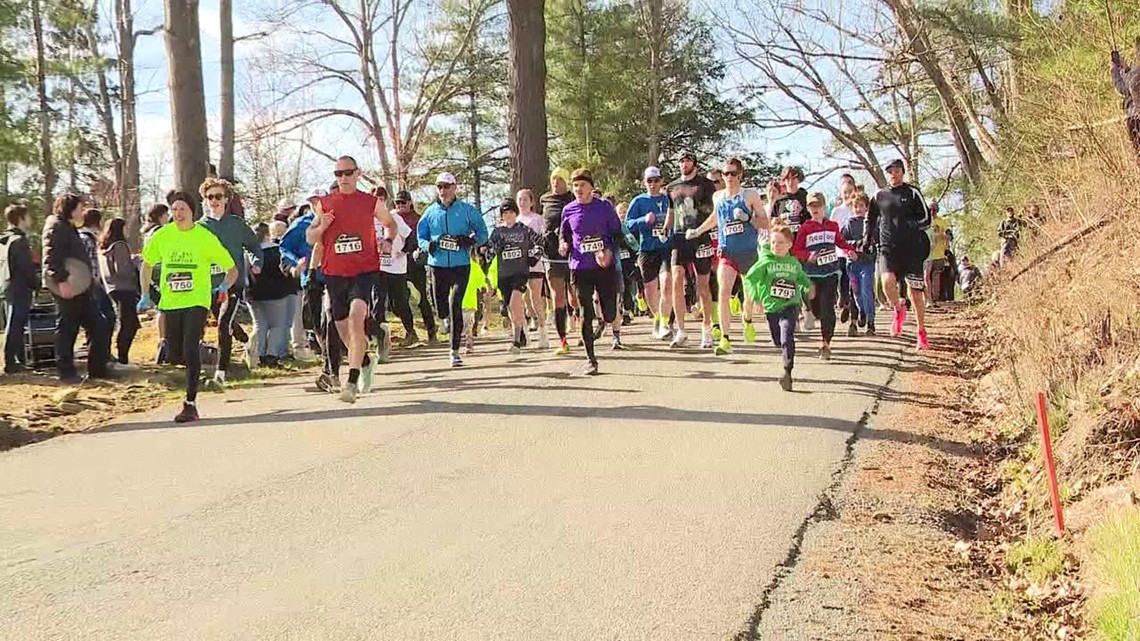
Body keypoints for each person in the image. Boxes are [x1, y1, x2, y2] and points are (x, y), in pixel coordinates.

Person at [138, 190, 238, 423]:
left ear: (192, 211)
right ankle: (197, 366)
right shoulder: (163, 235)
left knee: (190, 347)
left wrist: (224, 286)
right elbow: (146, 265)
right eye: (174, 209)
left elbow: (232, 269)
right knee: (174, 353)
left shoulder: (204, 237)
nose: (178, 213)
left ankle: (190, 403)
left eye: (182, 209)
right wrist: (145, 294)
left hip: (197, 301)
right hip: (171, 302)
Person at [307, 156, 397, 402]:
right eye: (338, 174)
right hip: (335, 273)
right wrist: (322, 226)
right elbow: (310, 237)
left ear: (358, 173)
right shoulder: (326, 204)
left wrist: (388, 241)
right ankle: (365, 361)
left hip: (364, 270)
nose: (343, 178)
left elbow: (390, 224)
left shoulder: (371, 202)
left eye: (348, 173)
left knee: (357, 319)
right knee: (343, 330)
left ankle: (351, 382)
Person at [684, 157, 768, 355]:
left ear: (740, 175)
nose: (729, 177)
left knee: (749, 296)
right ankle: (725, 338)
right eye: (725, 173)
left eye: (733, 173)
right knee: (723, 291)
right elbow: (715, 217)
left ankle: (747, 319)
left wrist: (748, 218)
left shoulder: (750, 195)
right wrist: (698, 230)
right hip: (727, 251)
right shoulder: (718, 197)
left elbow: (765, 223)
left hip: (748, 251)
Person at [199, 177, 264, 388]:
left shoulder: (237, 224)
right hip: (207, 284)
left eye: (218, 196)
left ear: (226, 199)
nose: (214, 201)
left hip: (232, 282)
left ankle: (220, 373)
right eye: (210, 197)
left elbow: (254, 246)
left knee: (223, 323)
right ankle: (246, 341)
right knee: (223, 322)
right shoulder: (199, 228)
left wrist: (256, 263)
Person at [862, 158, 932, 350]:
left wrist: (913, 225)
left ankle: (921, 332)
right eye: (890, 171)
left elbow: (927, 218)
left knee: (915, 292)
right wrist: (867, 239)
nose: (893, 174)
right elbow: (870, 218)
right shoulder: (879, 195)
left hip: (911, 249)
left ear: (902, 172)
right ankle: (898, 307)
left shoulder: (912, 192)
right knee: (886, 282)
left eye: (897, 171)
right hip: (888, 248)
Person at [42, 193, 112, 383]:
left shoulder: (68, 227)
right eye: (80, 208)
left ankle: (98, 370)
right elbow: (51, 257)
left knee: (99, 325)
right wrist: (62, 281)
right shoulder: (56, 227)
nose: (83, 212)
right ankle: (66, 372)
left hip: (80, 286)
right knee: (67, 329)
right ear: (71, 209)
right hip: (67, 286)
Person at [559, 169, 622, 375]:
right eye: (575, 185)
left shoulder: (603, 207)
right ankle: (591, 360)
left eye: (582, 185)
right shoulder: (568, 210)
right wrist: (563, 245)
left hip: (603, 267)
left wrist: (608, 251)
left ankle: (606, 318)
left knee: (610, 313)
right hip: (580, 267)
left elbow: (617, 234)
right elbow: (564, 235)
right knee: (585, 312)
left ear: (591, 187)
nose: (578, 189)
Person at [743, 221, 813, 391]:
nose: (777, 246)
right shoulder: (765, 262)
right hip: (771, 308)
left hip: (790, 305)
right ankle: (782, 351)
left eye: (781, 242)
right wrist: (756, 298)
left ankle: (787, 372)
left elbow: (802, 278)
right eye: (773, 242)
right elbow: (749, 279)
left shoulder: (794, 263)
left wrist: (808, 287)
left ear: (789, 244)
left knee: (787, 335)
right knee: (777, 339)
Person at [793, 192, 857, 360]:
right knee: (817, 308)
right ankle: (811, 312)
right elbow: (796, 250)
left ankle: (825, 343)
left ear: (824, 207)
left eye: (818, 206)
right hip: (812, 274)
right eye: (811, 207)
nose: (815, 209)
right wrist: (808, 255)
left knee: (827, 307)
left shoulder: (832, 226)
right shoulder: (805, 227)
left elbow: (840, 242)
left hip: (830, 272)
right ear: (808, 209)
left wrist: (850, 250)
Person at [666, 152, 717, 348]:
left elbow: (712, 210)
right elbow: (671, 211)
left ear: (694, 164)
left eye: (687, 161)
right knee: (676, 279)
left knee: (702, 285)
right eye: (681, 161)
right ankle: (681, 330)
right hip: (679, 238)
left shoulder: (705, 184)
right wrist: (665, 228)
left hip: (700, 236)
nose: (684, 164)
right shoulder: (672, 187)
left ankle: (707, 329)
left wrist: (702, 228)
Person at [487, 197, 543, 353]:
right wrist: (495, 249)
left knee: (515, 303)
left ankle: (516, 341)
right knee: (510, 309)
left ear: (515, 213)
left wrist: (534, 257)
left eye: (511, 212)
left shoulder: (524, 230)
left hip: (520, 273)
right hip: (504, 275)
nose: (508, 216)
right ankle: (520, 332)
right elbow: (488, 254)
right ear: (501, 215)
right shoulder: (497, 232)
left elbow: (540, 243)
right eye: (505, 213)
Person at [626, 166, 674, 341]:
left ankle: (665, 323)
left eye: (656, 180)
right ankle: (658, 318)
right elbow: (628, 224)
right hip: (647, 249)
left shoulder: (668, 199)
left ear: (661, 181)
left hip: (666, 247)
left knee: (667, 282)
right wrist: (643, 220)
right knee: (651, 288)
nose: (653, 184)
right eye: (649, 181)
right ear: (644, 183)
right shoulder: (639, 201)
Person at [245, 221, 296, 368]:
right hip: (276, 293)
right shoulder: (277, 251)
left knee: (260, 325)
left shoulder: (248, 253)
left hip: (253, 294)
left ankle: (259, 355)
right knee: (277, 325)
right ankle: (271, 355)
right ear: (268, 234)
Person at [769, 166, 813, 330]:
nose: (790, 182)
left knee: (802, 279)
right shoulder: (779, 201)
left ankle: (808, 309)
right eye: (787, 179)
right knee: (788, 280)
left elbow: (812, 218)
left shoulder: (805, 197)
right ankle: (793, 316)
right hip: (785, 246)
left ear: (798, 179)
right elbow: (773, 223)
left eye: (793, 178)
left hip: (802, 244)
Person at [539, 168, 576, 355]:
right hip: (551, 253)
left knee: (574, 297)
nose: (555, 183)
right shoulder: (544, 199)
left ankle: (582, 326)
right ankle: (562, 340)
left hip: (572, 252)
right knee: (557, 297)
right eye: (553, 179)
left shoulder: (572, 198)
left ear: (566, 182)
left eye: (559, 179)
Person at [374, 198, 415, 363]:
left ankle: (411, 332)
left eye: (382, 199)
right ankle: (381, 340)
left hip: (396, 267)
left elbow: (411, 236)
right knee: (377, 303)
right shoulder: (366, 218)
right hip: (377, 268)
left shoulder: (395, 218)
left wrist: (404, 250)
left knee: (399, 303)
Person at [394, 190, 437, 346]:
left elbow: (423, 239)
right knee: (399, 301)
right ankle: (410, 332)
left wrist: (417, 251)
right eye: (397, 202)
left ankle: (431, 330)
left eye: (403, 202)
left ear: (410, 202)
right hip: (397, 265)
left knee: (422, 299)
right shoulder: (392, 218)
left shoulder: (418, 219)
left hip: (414, 263)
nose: (400, 205)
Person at [98, 217, 141, 365]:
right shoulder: (120, 246)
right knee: (129, 323)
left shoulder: (104, 249)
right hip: (125, 288)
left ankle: (122, 353)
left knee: (127, 321)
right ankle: (122, 355)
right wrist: (135, 262)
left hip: (112, 288)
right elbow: (123, 269)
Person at [1, 204, 38, 374]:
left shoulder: (5, 239)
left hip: (7, 285)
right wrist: (36, 284)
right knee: (16, 324)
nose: (30, 219)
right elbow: (26, 267)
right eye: (27, 216)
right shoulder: (20, 240)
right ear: (21, 219)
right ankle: (10, 362)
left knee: (13, 323)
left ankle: (18, 359)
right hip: (19, 287)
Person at [78, 207, 116, 365]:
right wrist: (97, 281)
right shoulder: (88, 238)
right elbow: (92, 263)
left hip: (84, 284)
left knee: (95, 321)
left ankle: (97, 351)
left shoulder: (79, 236)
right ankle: (102, 353)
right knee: (107, 318)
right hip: (93, 285)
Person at [840, 192, 877, 335]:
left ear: (867, 207)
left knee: (866, 290)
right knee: (856, 292)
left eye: (861, 206)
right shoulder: (849, 223)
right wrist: (852, 248)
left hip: (867, 262)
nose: (858, 209)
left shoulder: (871, 223)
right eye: (856, 206)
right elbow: (842, 241)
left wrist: (864, 250)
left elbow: (874, 241)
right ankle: (862, 311)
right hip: (852, 263)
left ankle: (871, 322)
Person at [516, 189, 548, 348]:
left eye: (525, 199)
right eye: (519, 199)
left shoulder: (537, 219)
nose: (522, 202)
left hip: (534, 263)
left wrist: (535, 254)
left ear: (531, 202)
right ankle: (524, 335)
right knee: (521, 300)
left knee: (536, 298)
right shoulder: (514, 220)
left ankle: (543, 334)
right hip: (518, 265)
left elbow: (542, 240)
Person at [141, 203, 170, 362]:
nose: (168, 217)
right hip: (161, 271)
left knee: (161, 308)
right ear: (160, 216)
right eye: (166, 214)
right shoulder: (159, 231)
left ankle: (162, 339)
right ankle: (164, 340)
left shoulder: (147, 232)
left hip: (151, 273)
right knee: (165, 308)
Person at [924, 202, 950, 304]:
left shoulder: (942, 222)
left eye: (934, 209)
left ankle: (935, 298)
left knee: (936, 276)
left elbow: (949, 235)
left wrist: (942, 236)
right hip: (926, 253)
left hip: (938, 253)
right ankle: (927, 299)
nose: (932, 211)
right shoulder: (925, 220)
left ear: (937, 210)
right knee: (926, 276)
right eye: (930, 209)